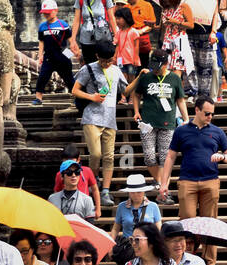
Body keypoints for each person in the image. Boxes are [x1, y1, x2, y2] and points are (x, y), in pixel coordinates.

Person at [159, 97, 227, 240]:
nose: (210, 117)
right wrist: (164, 183)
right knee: (186, 223)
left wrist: (223, 157)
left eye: (212, 114)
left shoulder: (217, 131)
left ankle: (209, 262)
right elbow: (170, 157)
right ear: (196, 110)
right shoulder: (181, 131)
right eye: (207, 113)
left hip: (210, 181)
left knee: (211, 224)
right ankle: (187, 258)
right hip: (187, 181)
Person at [72, 40, 126, 208]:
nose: (107, 63)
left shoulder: (116, 70)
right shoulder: (88, 69)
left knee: (109, 157)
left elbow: (125, 90)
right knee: (96, 154)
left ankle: (105, 191)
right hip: (92, 117)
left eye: (110, 60)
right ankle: (93, 183)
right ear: (97, 56)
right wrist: (92, 97)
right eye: (104, 60)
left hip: (110, 118)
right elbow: (75, 90)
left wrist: (140, 77)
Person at [126, 49, 187, 186]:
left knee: (166, 158)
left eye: (158, 67)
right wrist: (136, 111)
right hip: (147, 123)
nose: (155, 70)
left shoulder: (174, 78)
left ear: (166, 64)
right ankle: (160, 183)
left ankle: (162, 188)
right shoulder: (146, 77)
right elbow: (136, 94)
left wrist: (186, 118)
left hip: (168, 123)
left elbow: (180, 100)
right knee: (149, 156)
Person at [156, 0, 195, 89]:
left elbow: (191, 25)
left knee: (178, 69)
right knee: (166, 69)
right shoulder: (164, 9)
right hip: (167, 41)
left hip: (180, 41)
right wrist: (152, 26)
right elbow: (162, 27)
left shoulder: (183, 7)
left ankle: (176, 93)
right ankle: (170, 93)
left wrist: (176, 22)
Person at [32, 0, 73, 105]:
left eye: (48, 13)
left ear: (56, 11)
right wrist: (40, 55)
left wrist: (74, 51)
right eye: (44, 13)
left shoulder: (63, 25)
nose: (46, 15)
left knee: (68, 78)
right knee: (42, 77)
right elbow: (41, 41)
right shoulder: (42, 27)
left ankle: (76, 96)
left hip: (62, 55)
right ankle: (38, 98)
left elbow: (70, 40)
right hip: (48, 56)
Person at [72, 0, 116, 65]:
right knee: (90, 65)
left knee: (103, 63)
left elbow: (111, 18)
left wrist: (116, 35)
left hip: (102, 37)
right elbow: (76, 20)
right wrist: (73, 39)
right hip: (86, 38)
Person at [111, 173, 163, 244]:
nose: (136, 195)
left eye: (139, 192)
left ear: (144, 191)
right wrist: (111, 244)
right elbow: (115, 228)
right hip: (127, 246)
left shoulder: (153, 206)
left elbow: (158, 229)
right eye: (132, 192)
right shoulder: (121, 206)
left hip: (148, 245)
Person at [53, 144, 102, 218]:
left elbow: (95, 189)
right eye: (66, 160)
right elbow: (57, 191)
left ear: (78, 159)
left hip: (83, 206)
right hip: (66, 207)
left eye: (77, 173)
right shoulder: (60, 174)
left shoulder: (87, 171)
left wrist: (98, 209)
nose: (73, 175)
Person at [122, 0, 159, 71]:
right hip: (128, 42)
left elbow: (152, 24)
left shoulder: (146, 5)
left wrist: (140, 31)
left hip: (142, 41)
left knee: (143, 67)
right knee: (130, 68)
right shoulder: (125, 7)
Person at [113, 6, 146, 86]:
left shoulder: (133, 32)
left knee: (132, 78)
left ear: (126, 18)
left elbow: (136, 46)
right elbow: (117, 46)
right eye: (116, 19)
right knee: (122, 78)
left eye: (119, 19)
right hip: (121, 59)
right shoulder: (118, 32)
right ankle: (124, 96)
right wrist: (115, 57)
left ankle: (131, 96)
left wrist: (135, 58)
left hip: (131, 59)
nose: (117, 21)